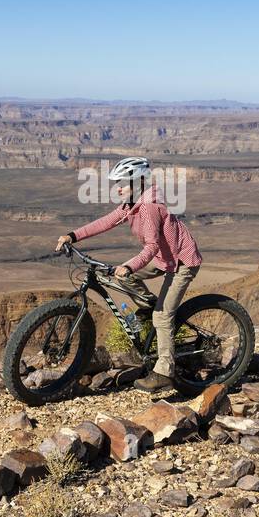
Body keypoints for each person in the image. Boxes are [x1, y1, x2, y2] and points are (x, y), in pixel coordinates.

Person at [55, 156, 202, 392]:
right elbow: (107, 221)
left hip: (181, 261)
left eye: (123, 183)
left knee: (162, 316)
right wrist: (73, 235)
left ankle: (165, 372)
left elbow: (152, 245)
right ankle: (149, 307)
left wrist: (130, 265)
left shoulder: (149, 207)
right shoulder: (131, 204)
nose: (118, 188)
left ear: (138, 183)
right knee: (130, 283)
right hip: (163, 258)